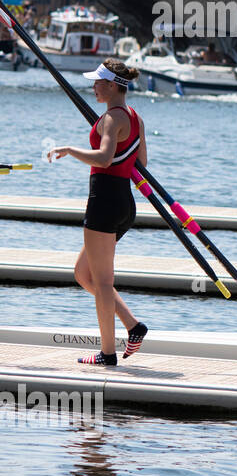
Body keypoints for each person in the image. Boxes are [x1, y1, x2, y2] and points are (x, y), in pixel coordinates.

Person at [47, 60, 149, 366]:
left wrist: (70, 149)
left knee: (102, 281)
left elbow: (104, 159)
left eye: (97, 83)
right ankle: (133, 326)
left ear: (112, 85)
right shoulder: (135, 118)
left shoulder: (110, 119)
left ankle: (107, 353)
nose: (93, 87)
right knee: (83, 274)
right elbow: (141, 162)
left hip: (104, 200)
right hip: (124, 204)